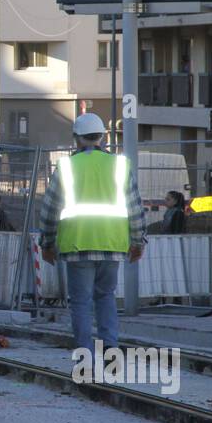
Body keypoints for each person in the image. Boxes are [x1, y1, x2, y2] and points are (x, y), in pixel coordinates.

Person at [38, 112, 146, 356]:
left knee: (81, 302)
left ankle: (84, 355)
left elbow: (50, 209)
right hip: (112, 245)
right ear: (102, 137)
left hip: (77, 246)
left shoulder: (67, 166)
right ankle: (111, 350)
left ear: (76, 139)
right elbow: (135, 208)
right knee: (106, 297)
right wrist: (138, 241)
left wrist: (46, 243)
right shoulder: (119, 165)